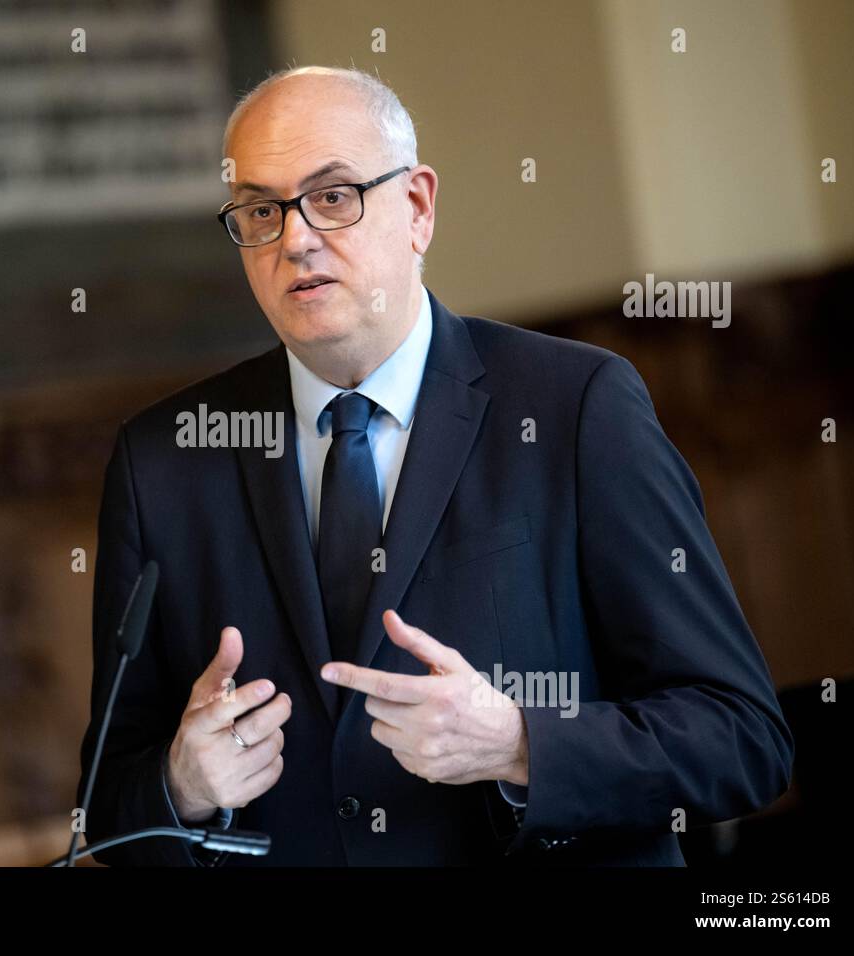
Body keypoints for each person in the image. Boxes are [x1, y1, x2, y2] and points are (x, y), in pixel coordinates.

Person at [76, 66, 792, 865]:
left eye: (334, 195)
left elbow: (742, 739)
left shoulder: (574, 406)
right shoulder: (164, 459)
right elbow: (106, 808)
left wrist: (521, 744)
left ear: (417, 207)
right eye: (259, 210)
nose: (296, 238)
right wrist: (181, 787)